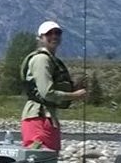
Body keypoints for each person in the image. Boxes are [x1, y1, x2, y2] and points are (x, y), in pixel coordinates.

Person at [20, 20, 88, 151]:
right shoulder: (42, 59)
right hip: (38, 117)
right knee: (40, 158)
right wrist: (74, 95)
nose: (54, 36)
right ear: (40, 38)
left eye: (57, 33)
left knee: (48, 158)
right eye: (49, 34)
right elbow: (47, 92)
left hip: (46, 116)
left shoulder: (50, 59)